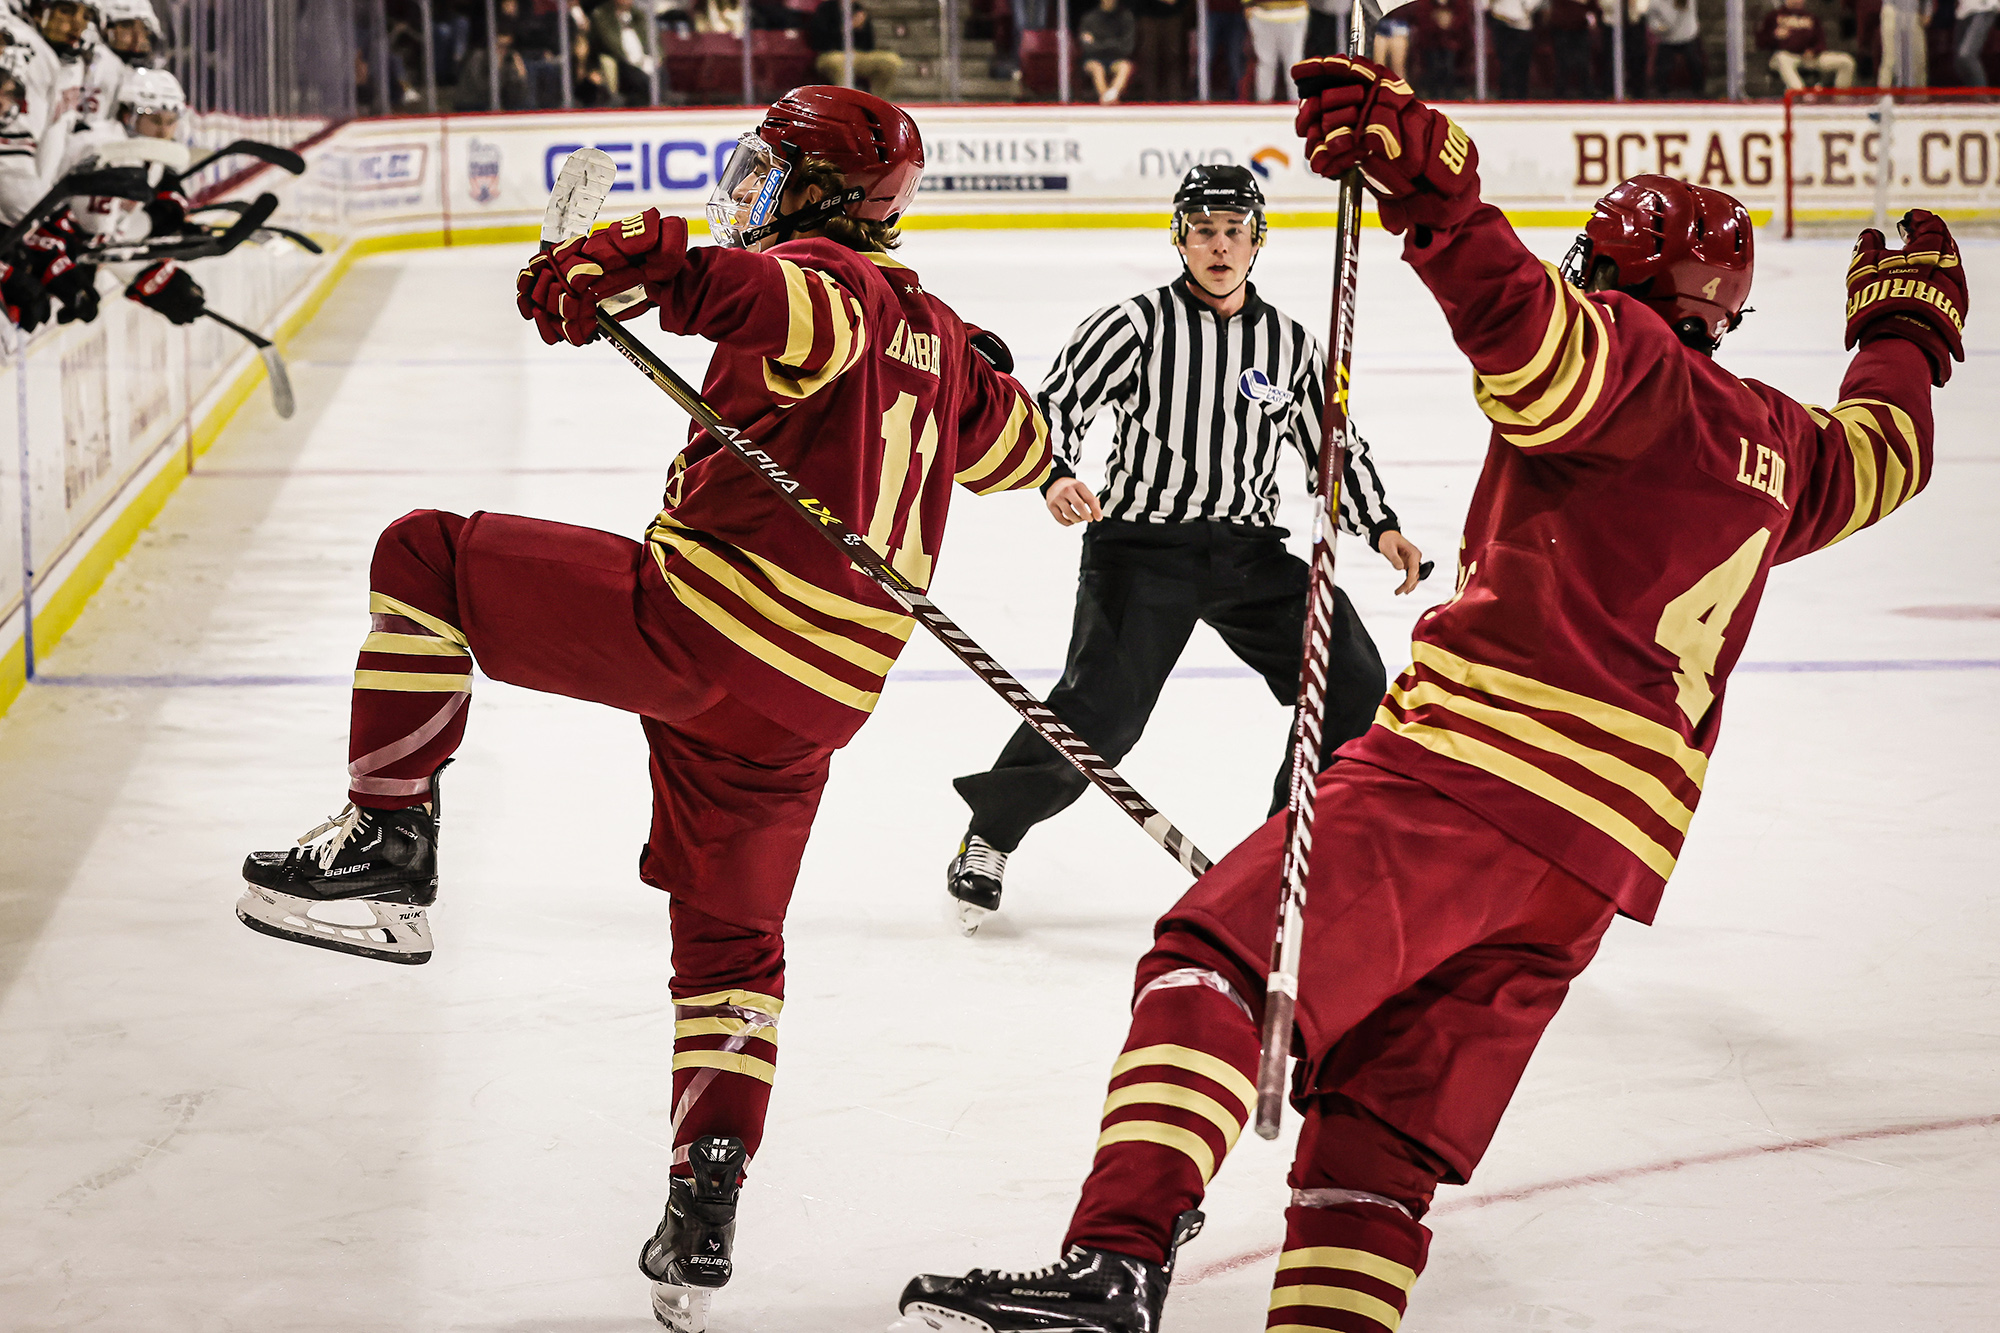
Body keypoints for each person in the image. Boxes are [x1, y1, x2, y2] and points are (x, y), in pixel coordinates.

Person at [893, 54, 1963, 1333]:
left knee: (1210, 963)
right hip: (1594, 858)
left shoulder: (1619, 360)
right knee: (1377, 1146)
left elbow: (1524, 333)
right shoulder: (1778, 441)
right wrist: (1899, 332)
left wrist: (1431, 193)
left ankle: (1115, 1256)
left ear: (1622, 284)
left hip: (1464, 776)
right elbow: (1885, 453)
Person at [232, 87, 1053, 1333]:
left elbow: (750, 293)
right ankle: (703, 1207)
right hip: (820, 701)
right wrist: (1051, 462)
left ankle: (388, 845)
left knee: (425, 557)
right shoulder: (937, 336)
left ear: (823, 190)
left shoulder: (823, 282)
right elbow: (1012, 443)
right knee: (731, 950)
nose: (751, 185)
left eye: (771, 168)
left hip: (712, 622)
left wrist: (636, 256)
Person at [944, 164, 1425, 934]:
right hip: (1141, 549)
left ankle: (1282, 852)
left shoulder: (1290, 344)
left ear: (1258, 239)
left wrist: (1380, 522)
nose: (1220, 245)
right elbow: (1058, 405)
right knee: (1100, 716)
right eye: (1204, 230)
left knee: (1354, 681)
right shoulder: (1133, 325)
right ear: (1180, 238)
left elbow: (1333, 445)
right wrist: (1053, 471)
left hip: (1248, 554)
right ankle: (990, 835)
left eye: (1235, 230)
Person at [807, 0, 904, 98]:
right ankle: (845, 102)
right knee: (841, 63)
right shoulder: (825, 9)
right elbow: (820, 41)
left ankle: (879, 103)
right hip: (831, 54)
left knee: (889, 61)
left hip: (857, 54)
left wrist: (862, 28)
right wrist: (848, 27)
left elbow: (869, 45)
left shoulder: (858, 9)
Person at [1758, 0, 1858, 89]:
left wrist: (1814, 51)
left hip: (1809, 58)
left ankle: (1840, 99)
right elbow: (1761, 43)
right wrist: (1774, 36)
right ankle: (1799, 94)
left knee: (1846, 62)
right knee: (1782, 58)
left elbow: (1821, 41)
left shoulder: (1811, 17)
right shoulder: (1774, 16)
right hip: (1785, 57)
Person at [590, 0, 659, 104]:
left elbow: (654, 40)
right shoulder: (602, 15)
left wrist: (658, 57)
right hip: (622, 63)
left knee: (660, 73)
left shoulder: (639, 15)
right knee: (643, 80)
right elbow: (610, 44)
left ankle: (660, 105)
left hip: (644, 61)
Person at [1246, 0, 1311, 98]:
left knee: (1293, 62)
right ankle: (1263, 104)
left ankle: (1298, 103)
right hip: (1262, 14)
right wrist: (1248, 5)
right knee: (1267, 62)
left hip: (1294, 13)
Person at [1079, 0, 1137, 102]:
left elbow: (1127, 48)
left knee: (1125, 66)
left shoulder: (1126, 17)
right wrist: (1114, 44)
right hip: (1093, 59)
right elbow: (1087, 48)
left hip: (1116, 58)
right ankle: (1106, 98)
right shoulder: (1089, 18)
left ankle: (1112, 95)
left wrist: (1098, 44)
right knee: (1097, 68)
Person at [1646, 0, 1705, 93]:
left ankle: (1699, 91)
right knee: (1662, 68)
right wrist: (1659, 28)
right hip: (1666, 38)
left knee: (1695, 63)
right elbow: (1652, 20)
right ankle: (1661, 93)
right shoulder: (1655, 2)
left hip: (1687, 35)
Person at [1486, 0, 1542, 97]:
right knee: (1505, 64)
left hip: (1522, 25)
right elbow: (1485, 5)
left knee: (1522, 65)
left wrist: (1526, 7)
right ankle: (1505, 97)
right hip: (1501, 22)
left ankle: (1521, 97)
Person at [1877, 0, 1932, 83]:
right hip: (1892, 10)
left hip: (1914, 12)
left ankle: (1919, 95)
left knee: (1919, 60)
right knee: (1891, 60)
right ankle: (1885, 93)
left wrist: (1927, 10)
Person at [1952, 0, 1995, 85]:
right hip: (1963, 10)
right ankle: (1972, 94)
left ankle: (1981, 95)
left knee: (1966, 55)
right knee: (1958, 61)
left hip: (1983, 8)